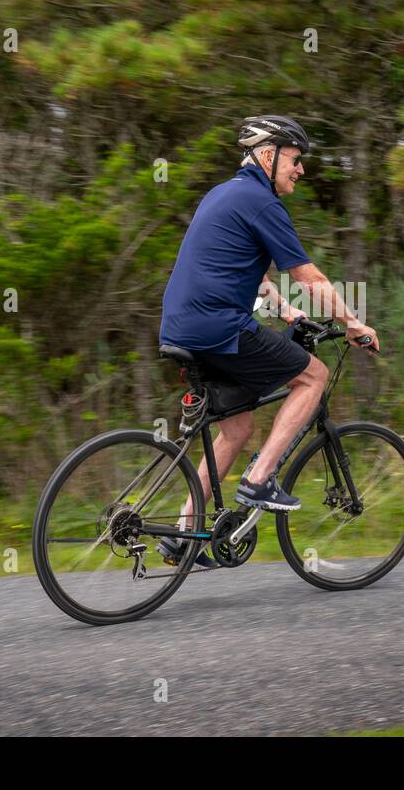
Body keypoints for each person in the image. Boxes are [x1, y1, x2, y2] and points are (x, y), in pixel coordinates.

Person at [157, 114, 379, 567]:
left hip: (181, 329)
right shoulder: (261, 202)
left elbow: (250, 272)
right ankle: (259, 481)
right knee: (312, 376)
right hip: (219, 328)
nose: (301, 170)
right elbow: (309, 276)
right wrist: (354, 324)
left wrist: (285, 310)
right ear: (267, 155)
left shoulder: (224, 195)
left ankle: (184, 534)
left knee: (235, 428)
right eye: (295, 160)